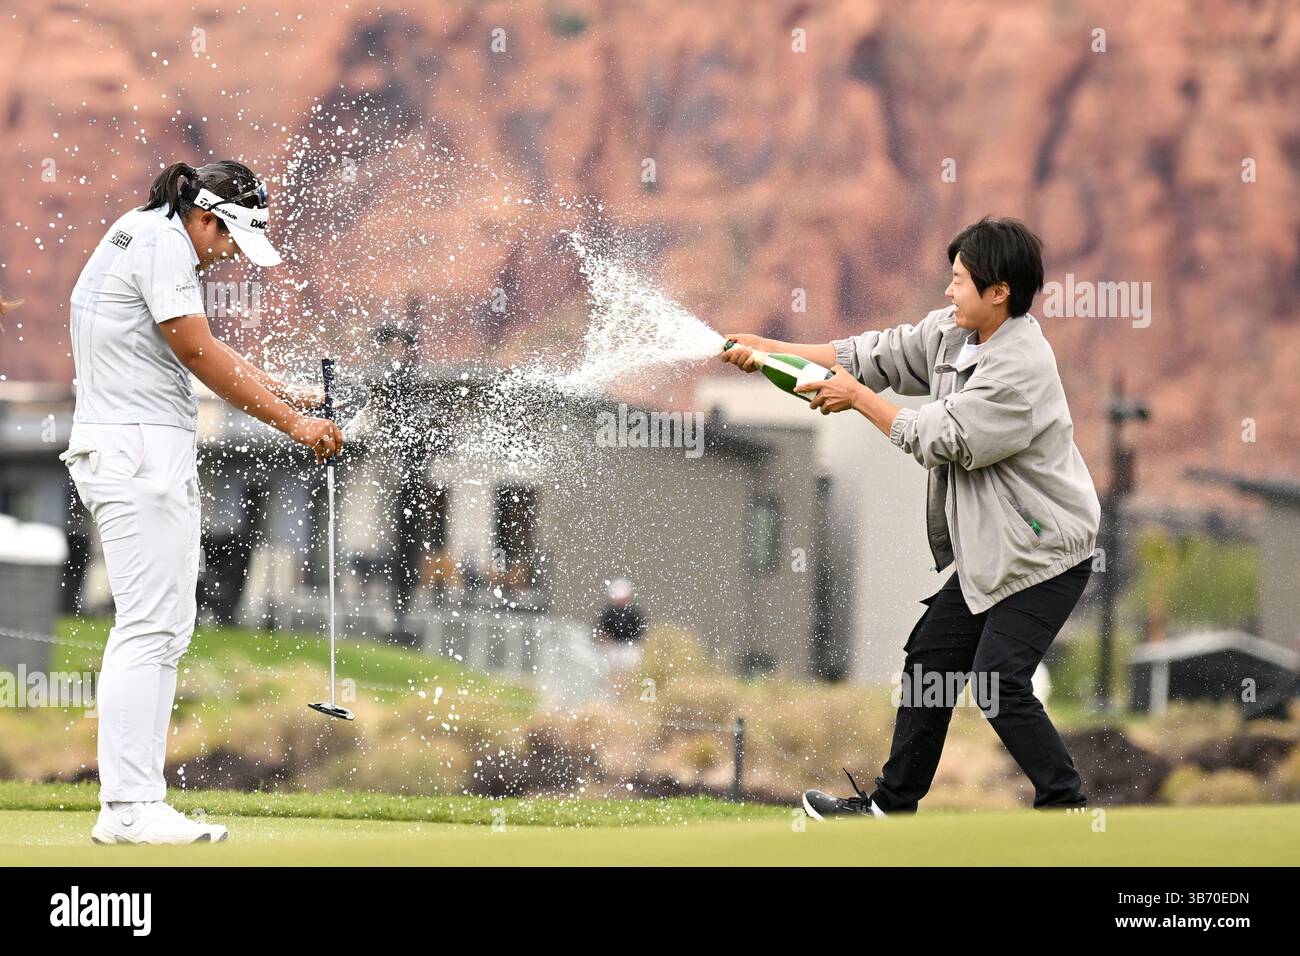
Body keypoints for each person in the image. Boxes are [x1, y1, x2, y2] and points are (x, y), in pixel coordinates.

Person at [722, 216, 1100, 817]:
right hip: (989, 553)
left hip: (1046, 554)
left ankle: (1067, 807)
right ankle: (889, 810)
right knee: (930, 663)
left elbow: (938, 436)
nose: (948, 292)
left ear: (999, 291)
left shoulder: (1020, 370)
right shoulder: (952, 332)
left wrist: (858, 400)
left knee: (999, 683)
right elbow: (869, 355)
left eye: (959, 280)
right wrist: (771, 352)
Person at [61, 160, 344, 844]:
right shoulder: (165, 245)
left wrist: (284, 390)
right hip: (136, 455)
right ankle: (129, 808)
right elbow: (198, 354)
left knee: (166, 628)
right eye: (230, 243)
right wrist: (295, 425)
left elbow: (196, 347)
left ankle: (135, 803)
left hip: (137, 450)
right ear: (208, 218)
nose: (228, 260)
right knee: (148, 628)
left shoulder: (146, 232)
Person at [594, 578, 647, 692]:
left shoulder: (633, 612)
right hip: (613, 648)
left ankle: (630, 691)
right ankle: (615, 691)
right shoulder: (608, 613)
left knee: (631, 671)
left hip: (630, 647)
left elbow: (640, 630)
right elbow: (603, 631)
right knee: (613, 673)